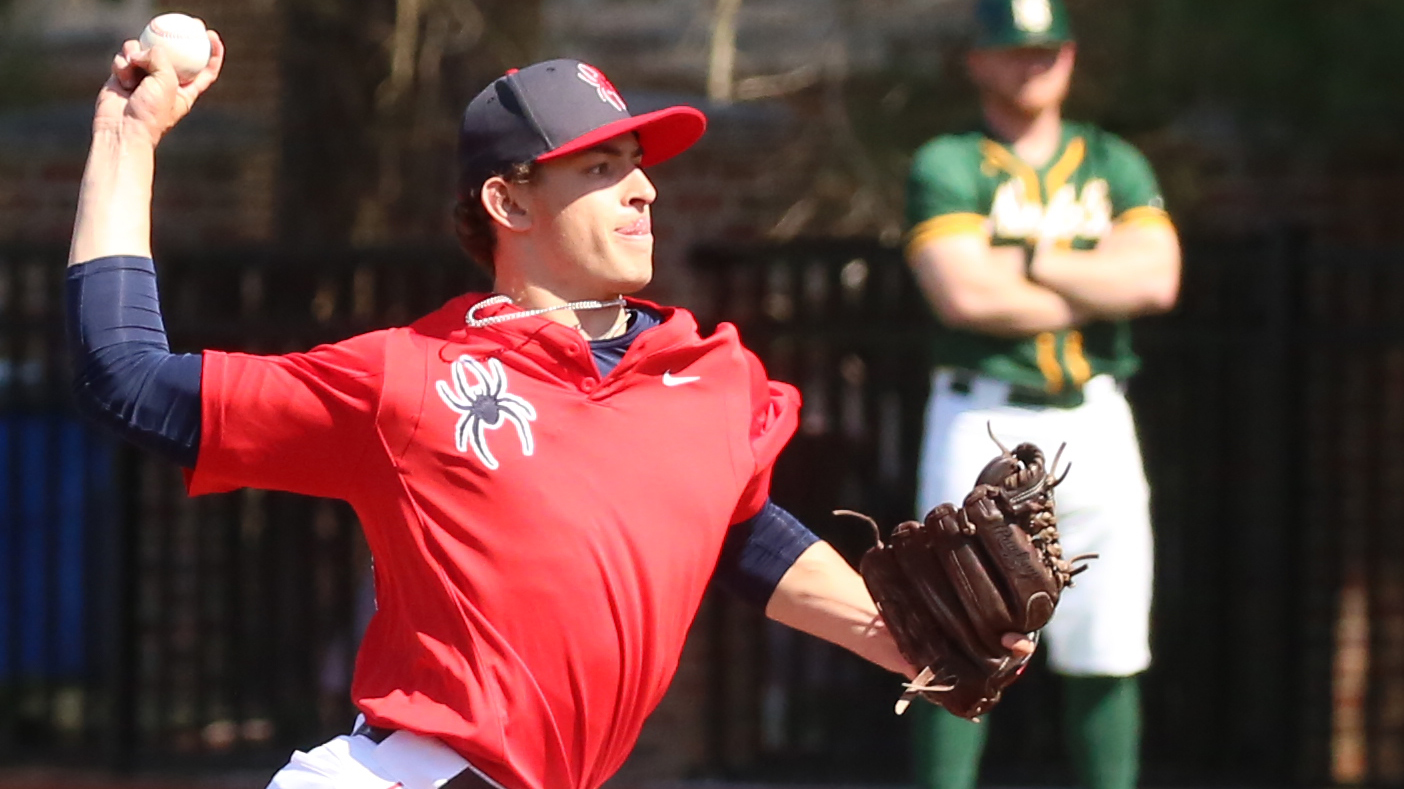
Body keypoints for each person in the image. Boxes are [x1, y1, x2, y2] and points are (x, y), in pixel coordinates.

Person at [66, 29, 1032, 789]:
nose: (644, 188)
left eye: (639, 163)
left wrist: (901, 633)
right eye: (600, 168)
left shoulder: (706, 377)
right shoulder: (407, 378)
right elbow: (127, 377)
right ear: (509, 202)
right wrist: (128, 131)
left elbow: (735, 529)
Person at [903, 1, 1182, 789]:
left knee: (1111, 641)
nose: (1035, 65)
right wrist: (1094, 273)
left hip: (1096, 413)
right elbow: (963, 296)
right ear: (978, 62)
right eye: (1015, 51)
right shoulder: (950, 161)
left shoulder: (1112, 159)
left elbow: (1157, 279)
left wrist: (1022, 254)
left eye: (1048, 50)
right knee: (955, 634)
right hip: (983, 413)